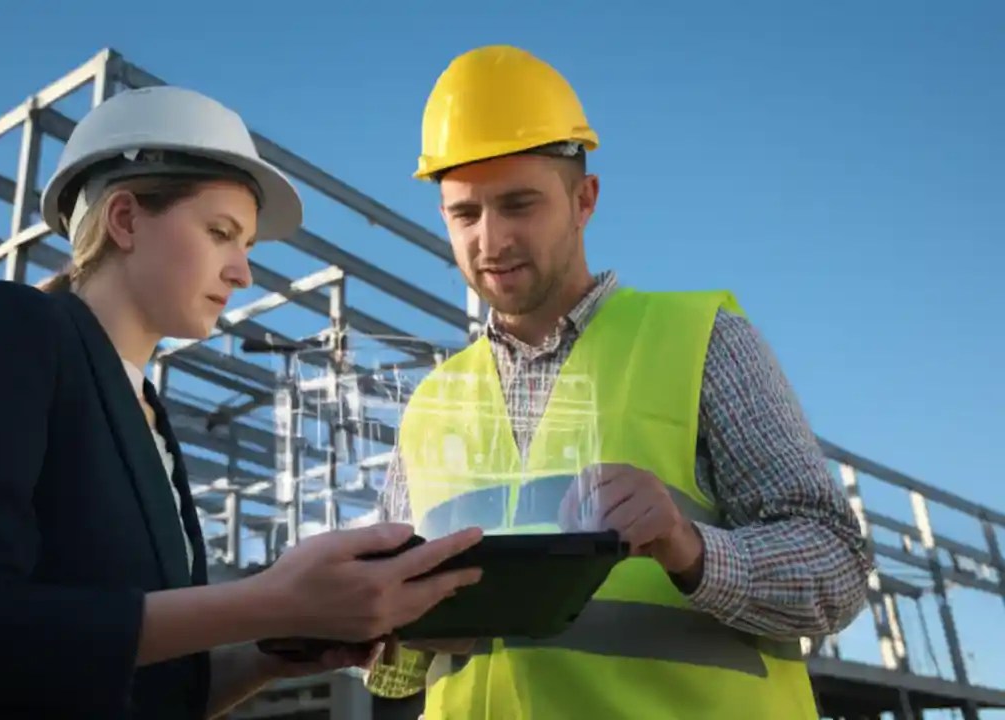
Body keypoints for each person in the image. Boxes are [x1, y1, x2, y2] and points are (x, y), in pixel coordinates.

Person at [0, 85, 484, 720]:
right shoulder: (12, 326)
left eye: (247, 246)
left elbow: (148, 690)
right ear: (124, 219)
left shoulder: (146, 412)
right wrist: (273, 599)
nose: (242, 272)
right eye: (220, 232)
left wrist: (271, 652)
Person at [365, 45, 871, 719]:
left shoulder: (700, 339)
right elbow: (396, 677)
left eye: (519, 204)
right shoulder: (430, 405)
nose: (491, 240)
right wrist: (375, 626)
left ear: (585, 200)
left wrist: (689, 549)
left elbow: (835, 570)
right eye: (466, 213)